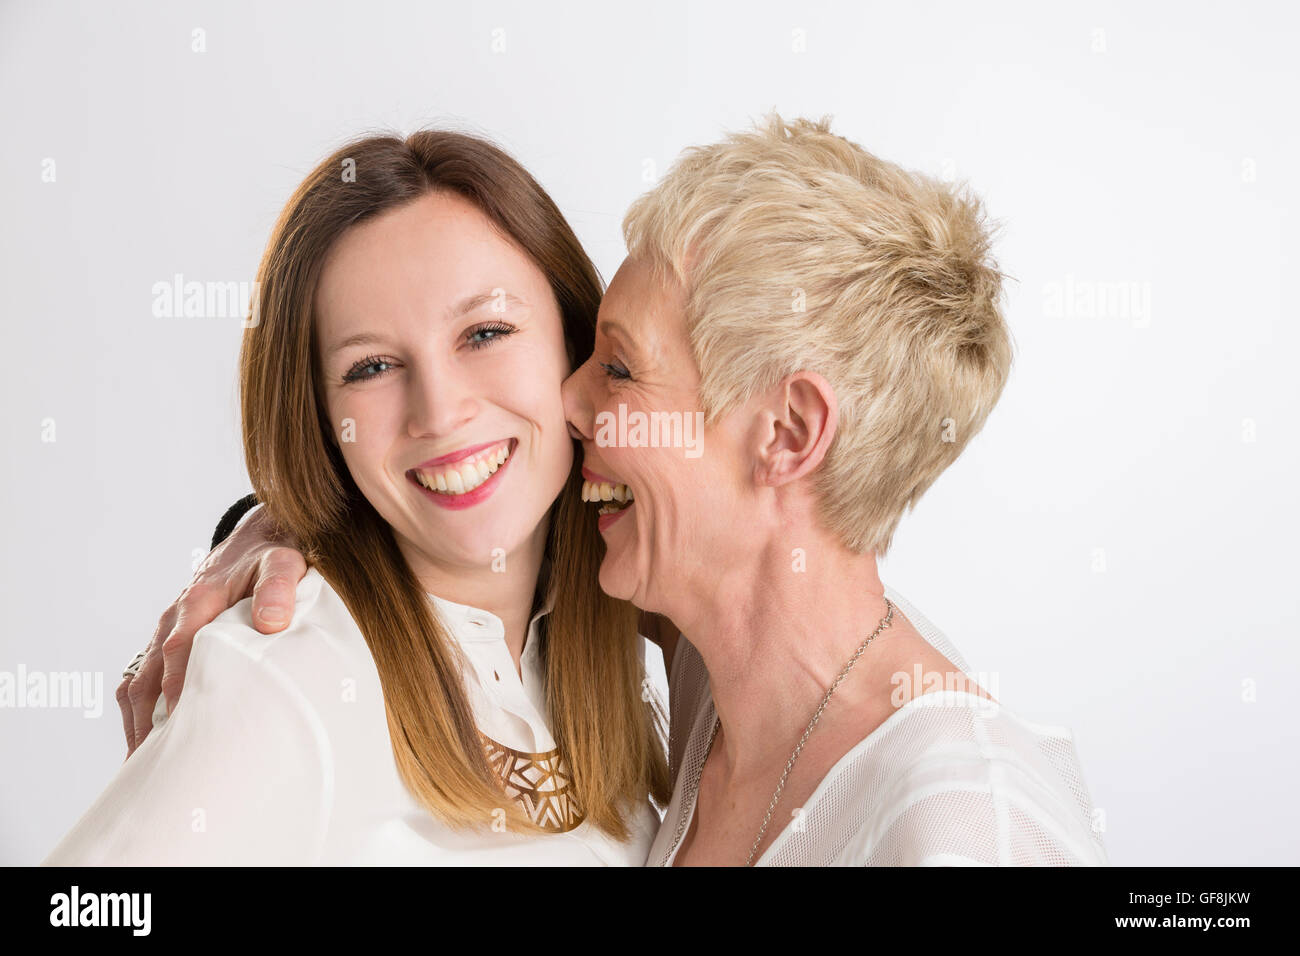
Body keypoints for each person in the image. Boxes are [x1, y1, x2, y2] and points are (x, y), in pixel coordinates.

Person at [118, 115, 1107, 866]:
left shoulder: (970, 819)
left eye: (621, 370)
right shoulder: (710, 667)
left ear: (789, 433)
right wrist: (283, 518)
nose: (572, 398)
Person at [44, 129, 670, 865]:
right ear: (317, 416)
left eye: (486, 332)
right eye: (371, 366)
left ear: (574, 343)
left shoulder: (623, 626)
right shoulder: (279, 673)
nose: (438, 413)